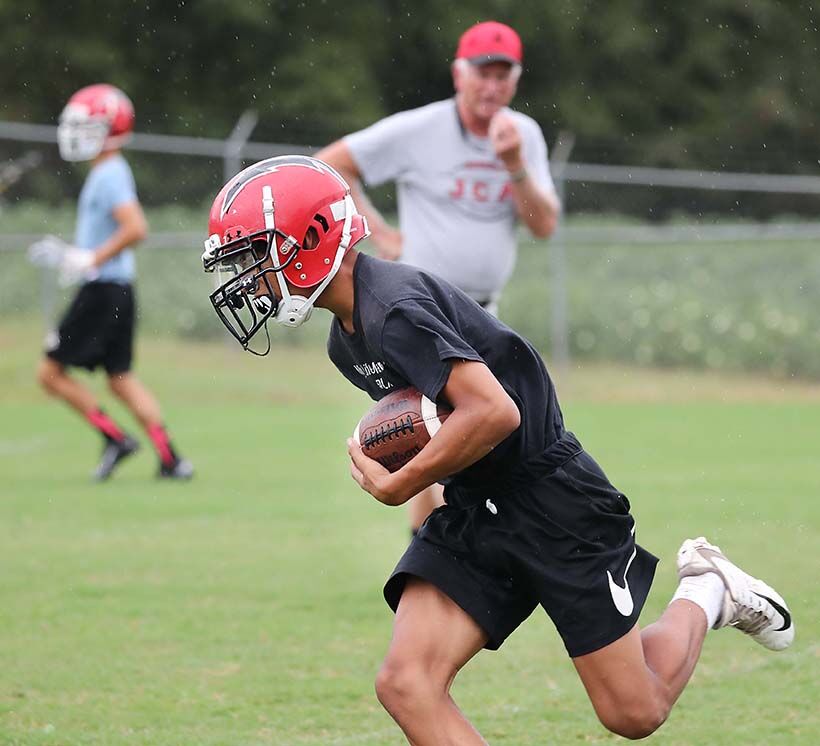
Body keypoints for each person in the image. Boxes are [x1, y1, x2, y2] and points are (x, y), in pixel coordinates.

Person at [200, 155, 794, 742]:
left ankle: (707, 589)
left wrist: (400, 484)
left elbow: (494, 411)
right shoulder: (345, 340)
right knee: (407, 683)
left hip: (551, 500)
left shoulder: (394, 311)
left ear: (311, 239)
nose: (248, 277)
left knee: (633, 713)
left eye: (255, 255)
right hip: (476, 506)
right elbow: (445, 421)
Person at [315, 20, 562, 535]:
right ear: (458, 74)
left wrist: (514, 165)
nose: (492, 87)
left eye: (503, 75)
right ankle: (438, 553)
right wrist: (378, 230)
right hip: (419, 314)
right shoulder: (420, 129)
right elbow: (329, 165)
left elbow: (544, 226)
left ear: (515, 80)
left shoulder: (524, 136)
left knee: (460, 433)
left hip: (482, 314)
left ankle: (437, 552)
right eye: (482, 73)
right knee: (436, 431)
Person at [33, 84, 193, 481]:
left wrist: (90, 259)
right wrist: (73, 253)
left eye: (86, 126)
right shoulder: (109, 172)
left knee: (49, 373)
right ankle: (171, 459)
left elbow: (136, 227)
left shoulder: (108, 174)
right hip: (118, 289)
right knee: (120, 378)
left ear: (109, 129)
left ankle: (115, 438)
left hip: (103, 289)